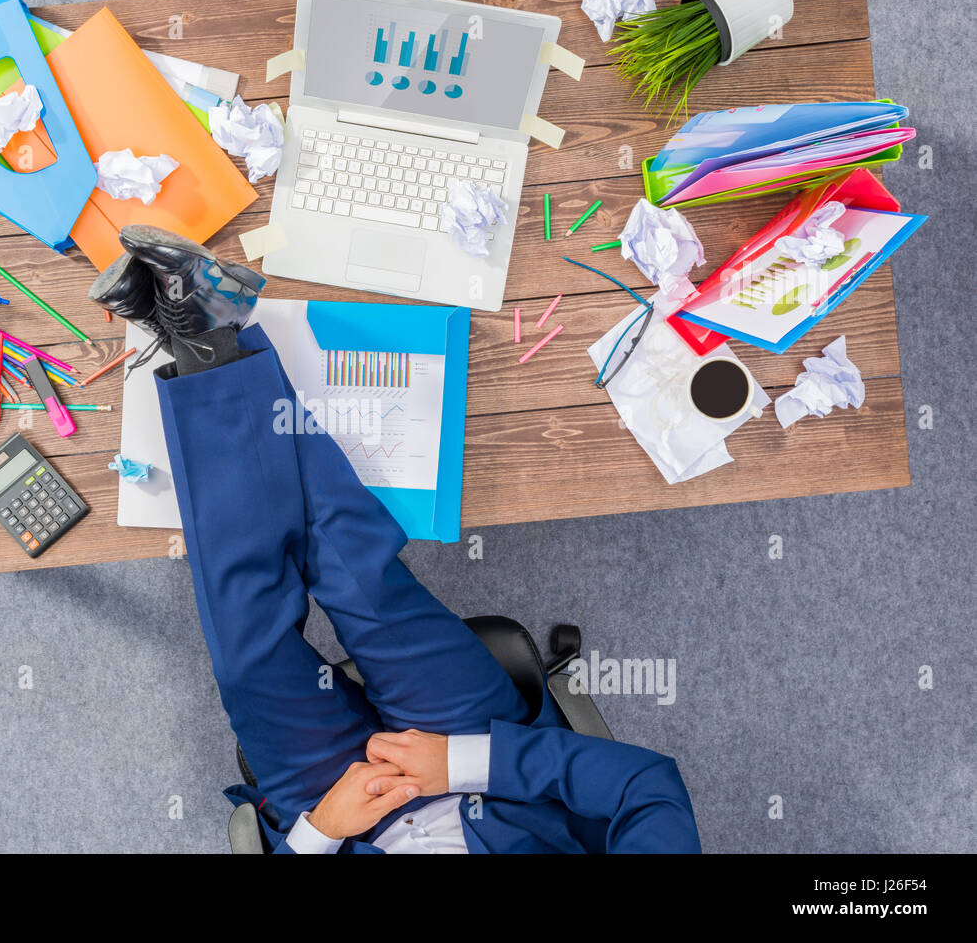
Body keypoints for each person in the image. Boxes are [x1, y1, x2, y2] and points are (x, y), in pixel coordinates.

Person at [92, 225, 703, 854]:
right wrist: (465, 765)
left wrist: (320, 830)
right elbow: (647, 788)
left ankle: (207, 342)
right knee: (356, 576)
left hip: (338, 816)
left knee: (245, 648)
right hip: (488, 773)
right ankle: (205, 342)